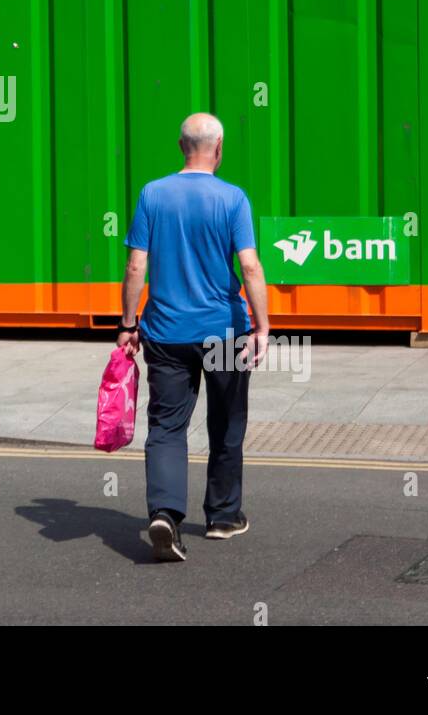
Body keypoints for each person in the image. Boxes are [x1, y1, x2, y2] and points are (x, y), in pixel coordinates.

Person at [117, 112, 269, 562]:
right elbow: (251, 267)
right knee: (225, 423)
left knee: (166, 428)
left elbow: (135, 267)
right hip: (224, 331)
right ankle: (223, 517)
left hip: (165, 332)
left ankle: (165, 513)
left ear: (181, 146)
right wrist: (262, 327)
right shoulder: (233, 198)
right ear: (218, 148)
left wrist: (128, 325)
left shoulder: (152, 194)